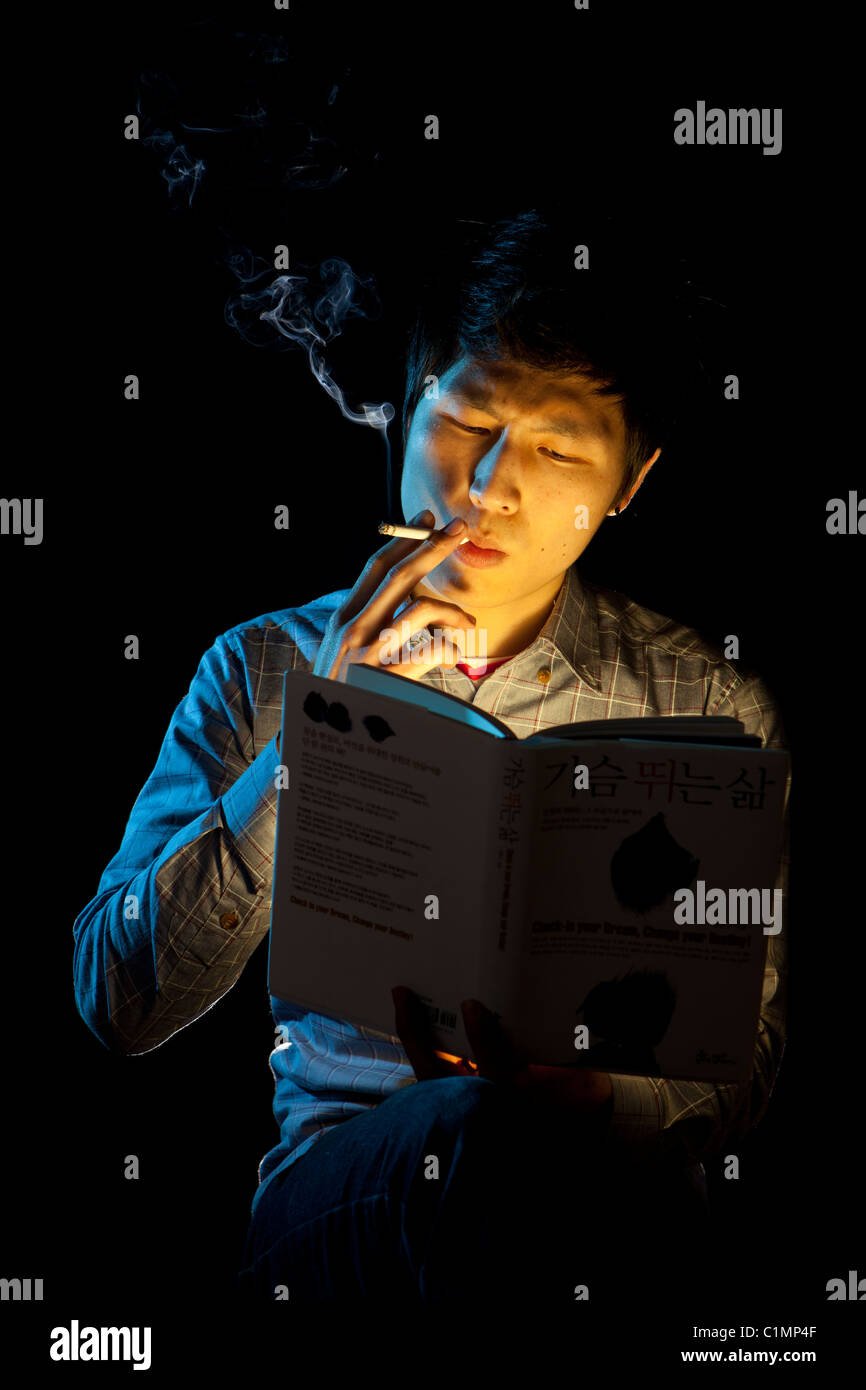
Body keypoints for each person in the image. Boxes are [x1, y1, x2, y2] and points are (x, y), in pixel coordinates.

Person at [72, 209, 790, 1308]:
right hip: (345, 1203)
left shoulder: (706, 702)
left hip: (610, 1204)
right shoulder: (261, 664)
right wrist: (313, 744)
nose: (493, 485)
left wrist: (591, 1095)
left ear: (631, 479)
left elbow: (744, 1057)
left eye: (559, 450)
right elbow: (117, 1000)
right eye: (469, 419)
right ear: (408, 406)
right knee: (470, 1138)